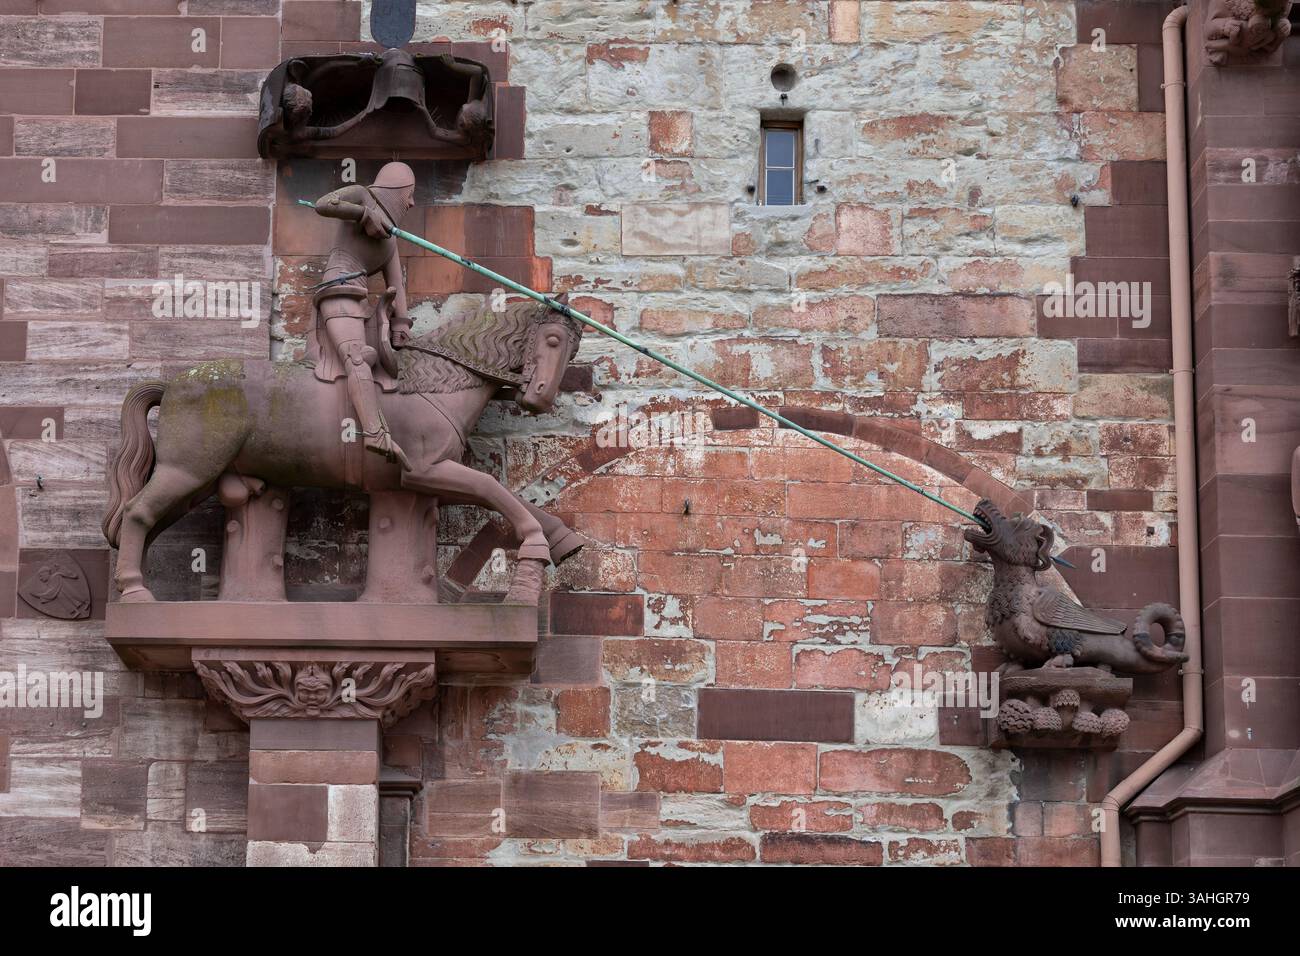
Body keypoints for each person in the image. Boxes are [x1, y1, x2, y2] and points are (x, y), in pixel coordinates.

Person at [310, 162, 416, 470]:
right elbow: (323, 204)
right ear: (397, 190)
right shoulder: (361, 194)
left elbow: (396, 285)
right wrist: (363, 213)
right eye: (410, 194)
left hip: (363, 300)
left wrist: (400, 323)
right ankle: (374, 434)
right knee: (358, 357)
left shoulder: (391, 239)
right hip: (339, 287)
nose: (411, 203)